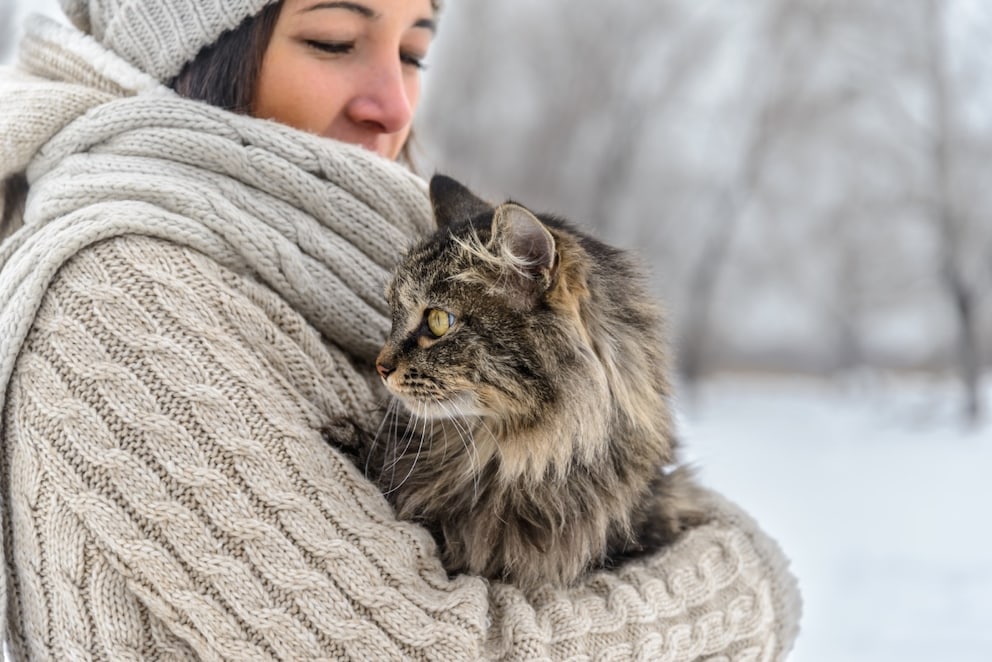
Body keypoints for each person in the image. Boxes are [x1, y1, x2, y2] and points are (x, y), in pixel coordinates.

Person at [0, 0, 801, 659]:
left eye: (414, 53)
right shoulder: (127, 297)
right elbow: (421, 646)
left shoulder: (337, 259)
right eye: (335, 41)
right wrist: (743, 584)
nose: (392, 102)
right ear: (195, 55)